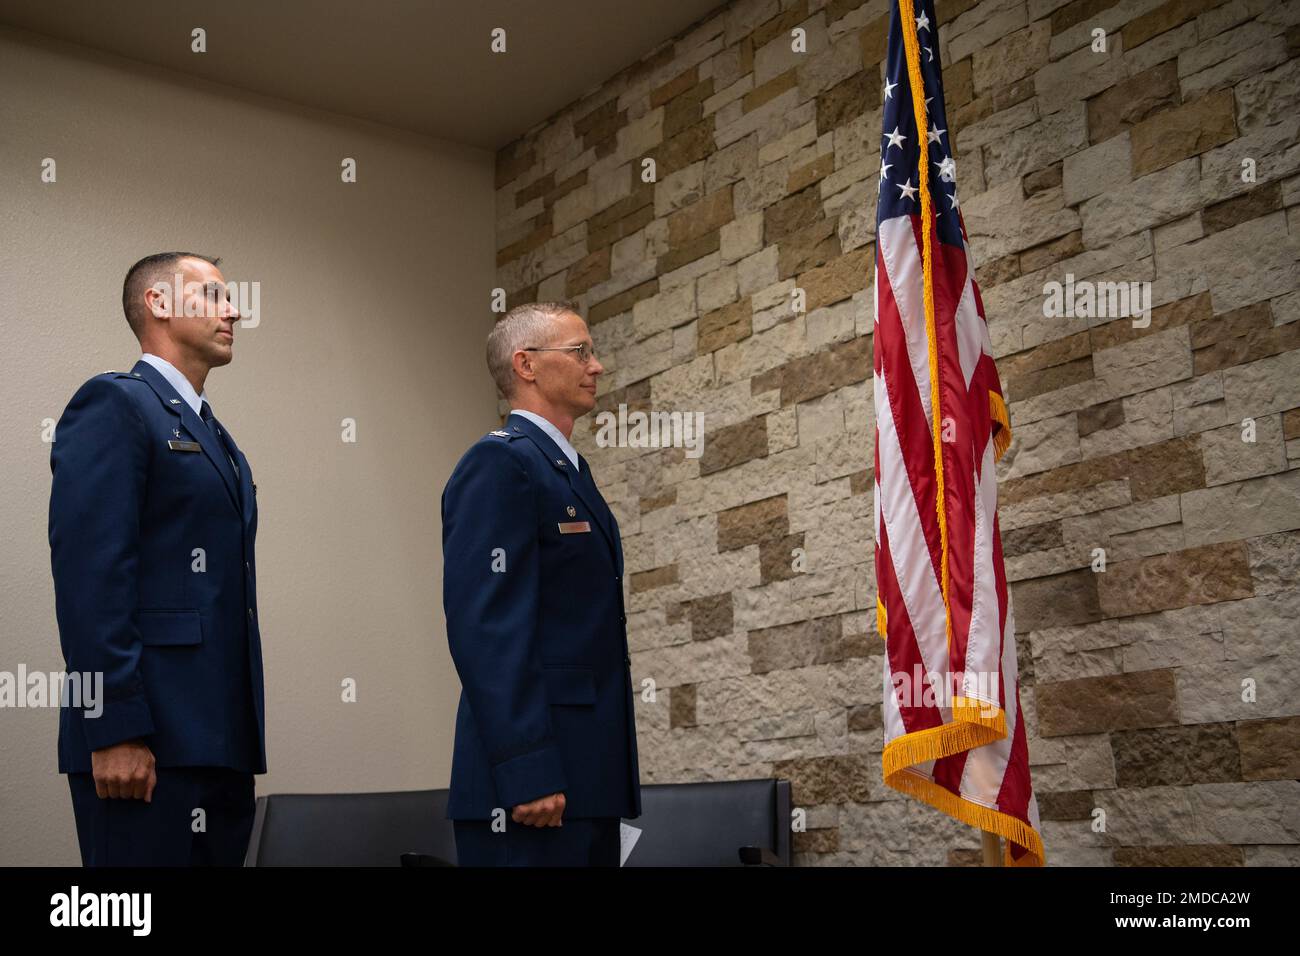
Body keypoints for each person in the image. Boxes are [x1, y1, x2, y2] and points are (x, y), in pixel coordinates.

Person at [49, 252, 265, 866]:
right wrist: (114, 725)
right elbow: (91, 579)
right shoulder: (115, 404)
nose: (235, 310)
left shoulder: (213, 433)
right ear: (159, 304)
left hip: (218, 742)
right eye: (215, 295)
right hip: (144, 743)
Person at [442, 301, 641, 866]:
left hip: (586, 778)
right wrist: (527, 768)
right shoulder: (500, 464)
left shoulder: (567, 471)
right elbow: (487, 629)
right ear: (525, 364)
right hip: (531, 789)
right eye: (580, 351)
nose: (596, 365)